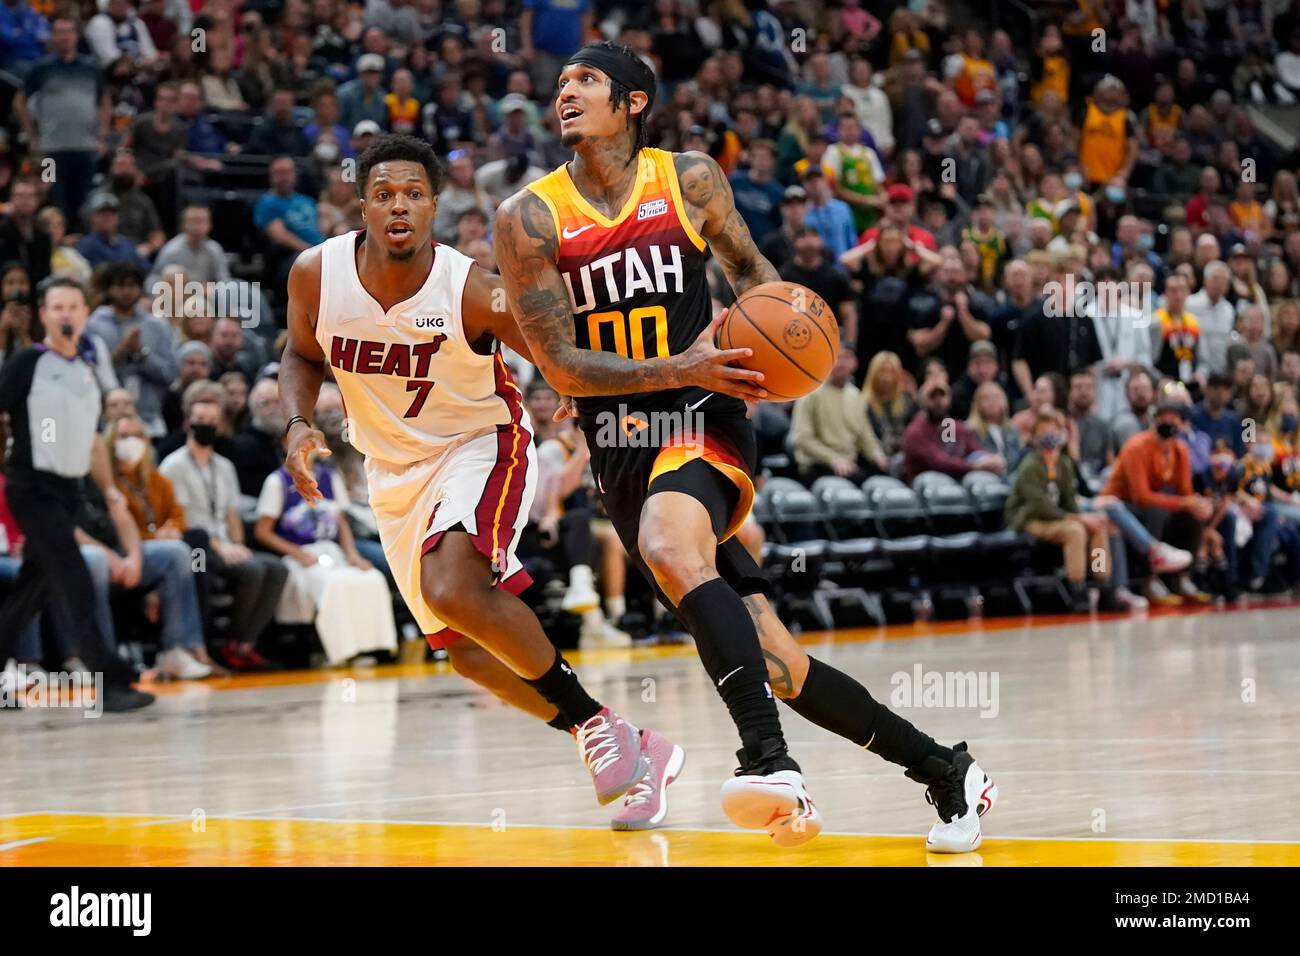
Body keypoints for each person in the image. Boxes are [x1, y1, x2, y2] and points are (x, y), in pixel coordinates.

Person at [495, 43, 997, 852]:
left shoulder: (688, 180)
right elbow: (557, 364)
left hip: (706, 410)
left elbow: (759, 283)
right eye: (560, 84)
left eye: (585, 80)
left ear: (633, 102)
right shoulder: (529, 217)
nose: (566, 93)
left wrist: (778, 344)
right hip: (624, 439)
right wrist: (668, 363)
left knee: (667, 540)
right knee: (782, 665)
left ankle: (770, 764)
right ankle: (948, 772)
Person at [277, 133, 677, 829]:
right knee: (465, 653)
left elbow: (564, 360)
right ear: (360, 206)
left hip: (480, 444)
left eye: (412, 194)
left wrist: (624, 403)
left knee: (454, 588)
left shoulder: (474, 292)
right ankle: (622, 738)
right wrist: (297, 423)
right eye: (382, 195)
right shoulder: (315, 274)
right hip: (389, 470)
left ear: (435, 204)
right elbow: (300, 352)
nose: (397, 206)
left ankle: (595, 727)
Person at [0, 277, 154, 711]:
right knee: (77, 582)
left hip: (69, 492)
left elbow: (90, 442)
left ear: (85, 314)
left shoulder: (86, 372)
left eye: (73, 306)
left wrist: (109, 491)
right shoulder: (27, 363)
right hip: (33, 487)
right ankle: (108, 683)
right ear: (44, 315)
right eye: (57, 307)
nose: (66, 314)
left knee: (35, 587)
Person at [159, 394, 288, 671]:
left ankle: (245, 644)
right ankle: (228, 645)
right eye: (200, 420)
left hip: (227, 543)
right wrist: (221, 546)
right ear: (187, 423)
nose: (206, 426)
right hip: (197, 549)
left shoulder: (225, 466)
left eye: (212, 421)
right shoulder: (173, 465)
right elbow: (179, 520)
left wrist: (240, 544)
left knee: (277, 568)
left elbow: (232, 514)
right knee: (253, 571)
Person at [253, 445, 398, 666]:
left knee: (372, 578)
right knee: (334, 585)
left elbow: (340, 522)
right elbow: (262, 532)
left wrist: (352, 554)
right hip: (298, 554)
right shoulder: (277, 481)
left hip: (331, 550)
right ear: (286, 443)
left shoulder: (330, 477)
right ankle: (340, 652)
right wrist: (297, 553)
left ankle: (377, 649)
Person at [1005, 408, 1122, 612]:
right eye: (1044, 431)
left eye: (1054, 430)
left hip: (1058, 517)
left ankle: (1103, 585)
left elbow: (1069, 500)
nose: (1050, 435)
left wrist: (1084, 517)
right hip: (1030, 519)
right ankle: (1077, 590)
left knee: (1097, 526)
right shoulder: (1030, 466)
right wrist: (1078, 519)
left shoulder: (1064, 464)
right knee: (1075, 531)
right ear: (1034, 437)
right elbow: (1038, 507)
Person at [1103, 395, 1215, 605]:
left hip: (1149, 505)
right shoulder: (1137, 446)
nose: (1168, 423)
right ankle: (1149, 579)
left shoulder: (1180, 450)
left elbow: (1185, 492)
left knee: (1193, 515)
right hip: (1121, 504)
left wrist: (1198, 504)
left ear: (1182, 424)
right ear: (1154, 421)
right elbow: (1141, 496)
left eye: (1173, 419)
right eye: (1163, 418)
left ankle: (1182, 577)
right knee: (1156, 510)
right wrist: (1185, 502)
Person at [791, 346, 888, 483]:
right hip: (817, 466)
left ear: (855, 363)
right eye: (837, 357)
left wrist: (877, 455)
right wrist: (833, 459)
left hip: (849, 465)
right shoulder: (810, 392)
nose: (841, 362)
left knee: (886, 478)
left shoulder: (855, 395)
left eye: (846, 357)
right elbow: (803, 439)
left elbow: (865, 436)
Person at [901, 377, 1007, 484]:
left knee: (980, 458)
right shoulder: (916, 430)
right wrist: (974, 466)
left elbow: (973, 448)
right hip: (926, 484)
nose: (938, 402)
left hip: (953, 479)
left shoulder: (950, 425)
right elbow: (939, 462)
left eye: (942, 396)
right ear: (923, 401)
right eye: (933, 397)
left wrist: (990, 459)